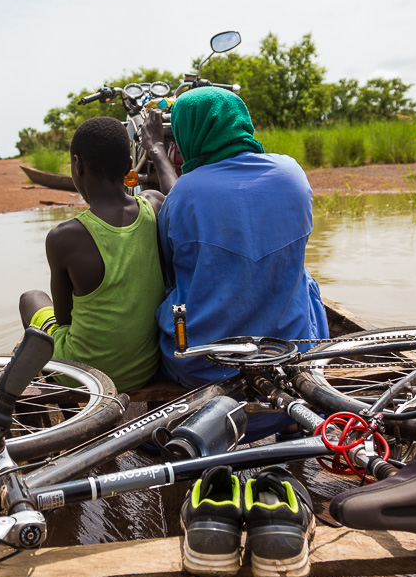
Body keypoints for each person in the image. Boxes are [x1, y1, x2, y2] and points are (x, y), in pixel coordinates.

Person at [141, 86, 329, 389]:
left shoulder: (183, 193)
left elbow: (169, 270)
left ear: (189, 134)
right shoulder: (291, 174)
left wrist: (155, 150)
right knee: (305, 279)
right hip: (291, 352)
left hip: (201, 366)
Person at [18, 117, 166, 393]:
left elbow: (64, 320)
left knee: (31, 299)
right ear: (128, 165)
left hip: (86, 375)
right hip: (144, 369)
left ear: (77, 165)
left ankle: (68, 407)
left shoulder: (64, 237)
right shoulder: (155, 206)